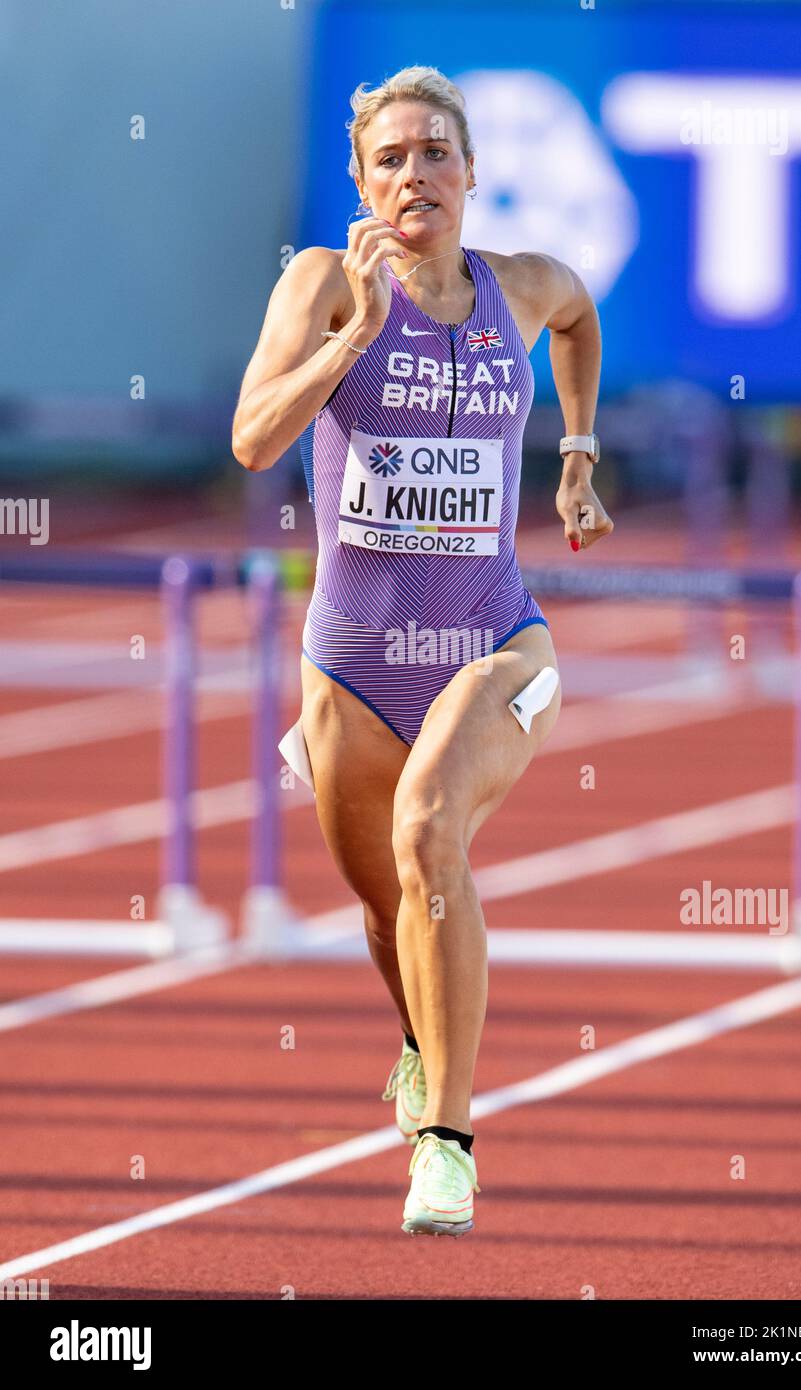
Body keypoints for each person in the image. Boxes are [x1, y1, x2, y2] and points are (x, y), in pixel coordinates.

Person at [232, 65, 612, 1236]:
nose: (414, 175)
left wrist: (578, 451)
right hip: (350, 662)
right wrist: (344, 347)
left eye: (434, 154)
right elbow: (252, 439)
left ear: (469, 174)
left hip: (495, 639)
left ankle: (444, 1140)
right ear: (359, 181)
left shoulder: (517, 286)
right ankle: (416, 1040)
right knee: (391, 902)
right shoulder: (318, 285)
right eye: (389, 158)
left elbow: (580, 312)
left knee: (426, 829)